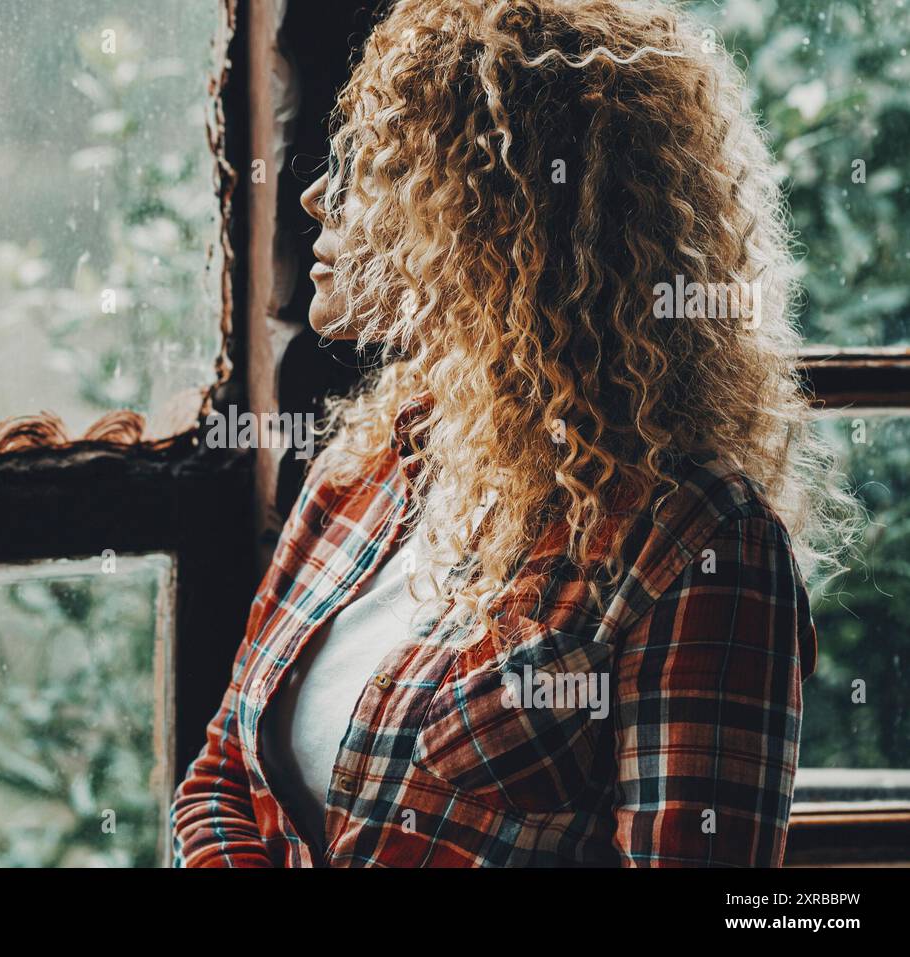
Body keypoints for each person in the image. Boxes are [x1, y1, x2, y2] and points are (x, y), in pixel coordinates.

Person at [172, 0, 857, 867]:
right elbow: (221, 772)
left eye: (372, 170)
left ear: (498, 218)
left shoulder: (700, 547)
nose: (315, 198)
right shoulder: (373, 459)